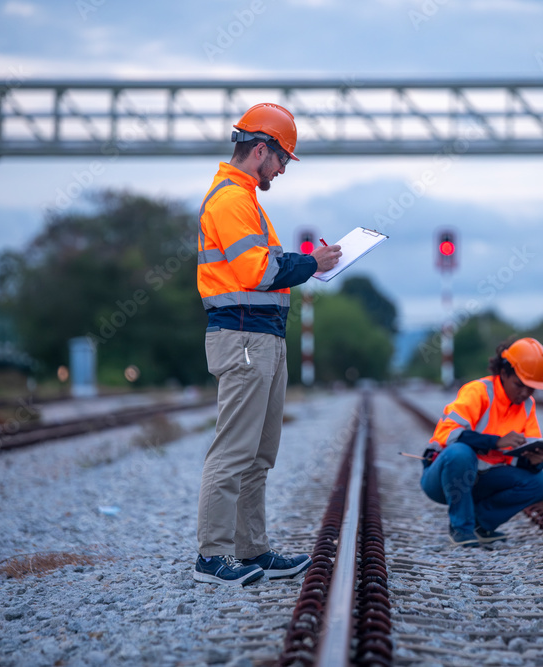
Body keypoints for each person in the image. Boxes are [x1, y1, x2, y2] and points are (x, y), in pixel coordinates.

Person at [194, 103, 342, 586]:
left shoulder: (247, 201)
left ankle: (251, 550)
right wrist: (312, 262)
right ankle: (212, 557)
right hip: (241, 338)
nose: (282, 169)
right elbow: (260, 270)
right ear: (260, 150)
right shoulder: (231, 202)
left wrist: (308, 262)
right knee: (234, 450)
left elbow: (267, 267)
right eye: (281, 160)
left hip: (262, 339)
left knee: (259, 453)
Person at [420, 337, 543, 546]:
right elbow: (448, 433)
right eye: (519, 385)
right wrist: (496, 442)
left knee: (541, 483)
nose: (525, 393)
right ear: (503, 373)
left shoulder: (527, 405)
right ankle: (461, 529)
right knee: (460, 453)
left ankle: (479, 524)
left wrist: (536, 461)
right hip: (442, 478)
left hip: (482, 479)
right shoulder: (478, 392)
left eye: (531, 388)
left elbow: (525, 455)